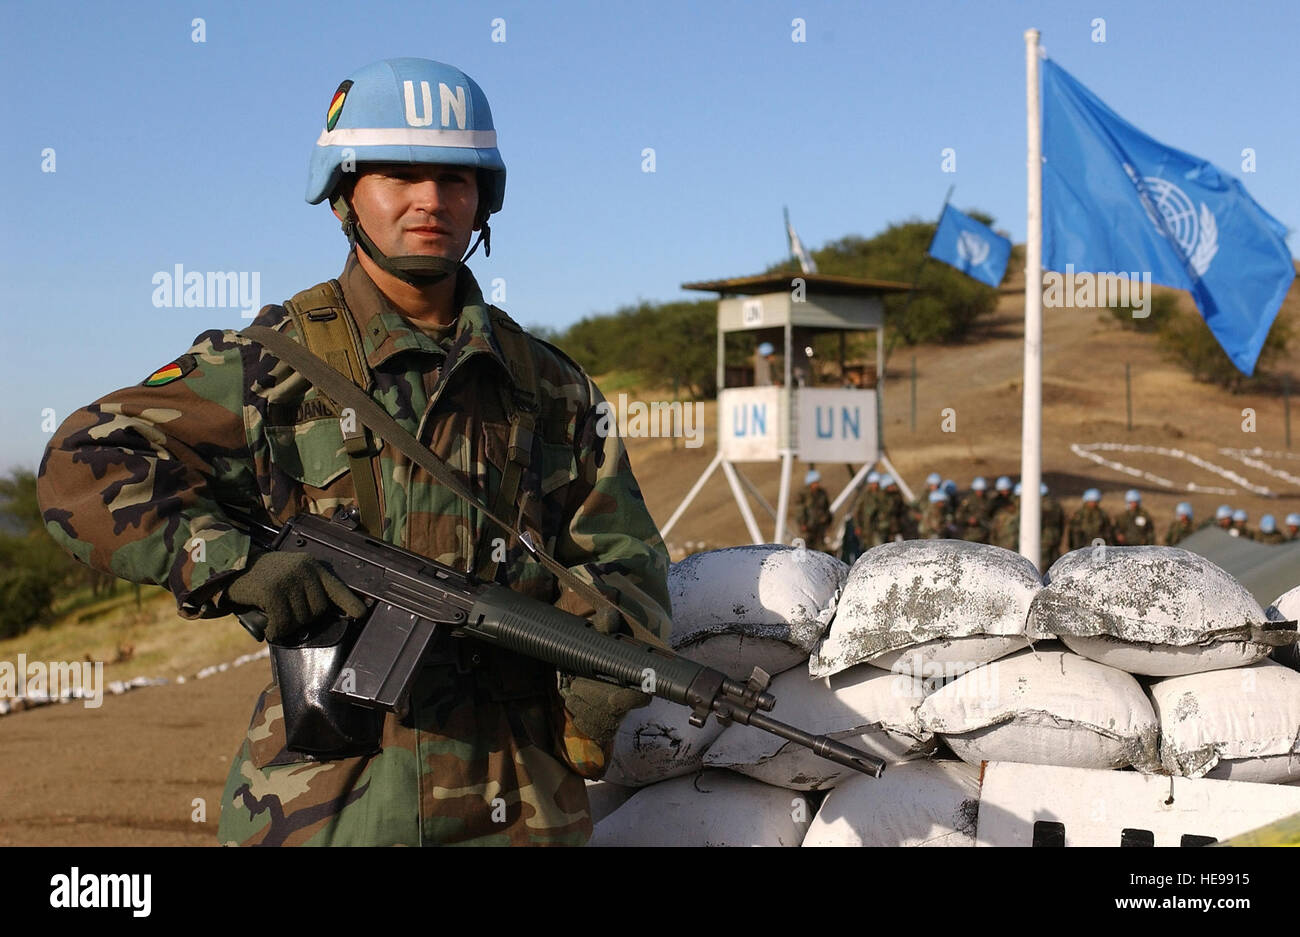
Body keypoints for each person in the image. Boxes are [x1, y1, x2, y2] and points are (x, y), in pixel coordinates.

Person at [35, 58, 671, 847]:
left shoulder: (550, 386)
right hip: (326, 810)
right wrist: (233, 562)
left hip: (519, 809)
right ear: (343, 193)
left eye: (456, 178)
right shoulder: (275, 363)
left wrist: (609, 654)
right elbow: (81, 461)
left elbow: (625, 557)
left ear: (485, 200)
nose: (431, 200)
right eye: (399, 174)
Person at [795, 469, 832, 551]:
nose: (817, 484)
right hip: (808, 528)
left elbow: (826, 508)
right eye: (815, 482)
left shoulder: (822, 494)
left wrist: (827, 521)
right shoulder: (803, 494)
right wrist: (802, 523)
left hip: (820, 527)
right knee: (805, 549)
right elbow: (800, 511)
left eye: (817, 482)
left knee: (820, 550)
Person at [955, 476, 990, 543]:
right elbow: (959, 515)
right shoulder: (968, 500)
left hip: (985, 535)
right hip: (970, 536)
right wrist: (968, 519)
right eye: (978, 490)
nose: (980, 492)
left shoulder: (987, 500)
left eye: (982, 490)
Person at [1040, 482, 1065, 569]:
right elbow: (1062, 522)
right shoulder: (1056, 505)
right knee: (1056, 564)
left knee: (1042, 565)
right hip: (1055, 537)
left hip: (1043, 540)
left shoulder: (1038, 505)